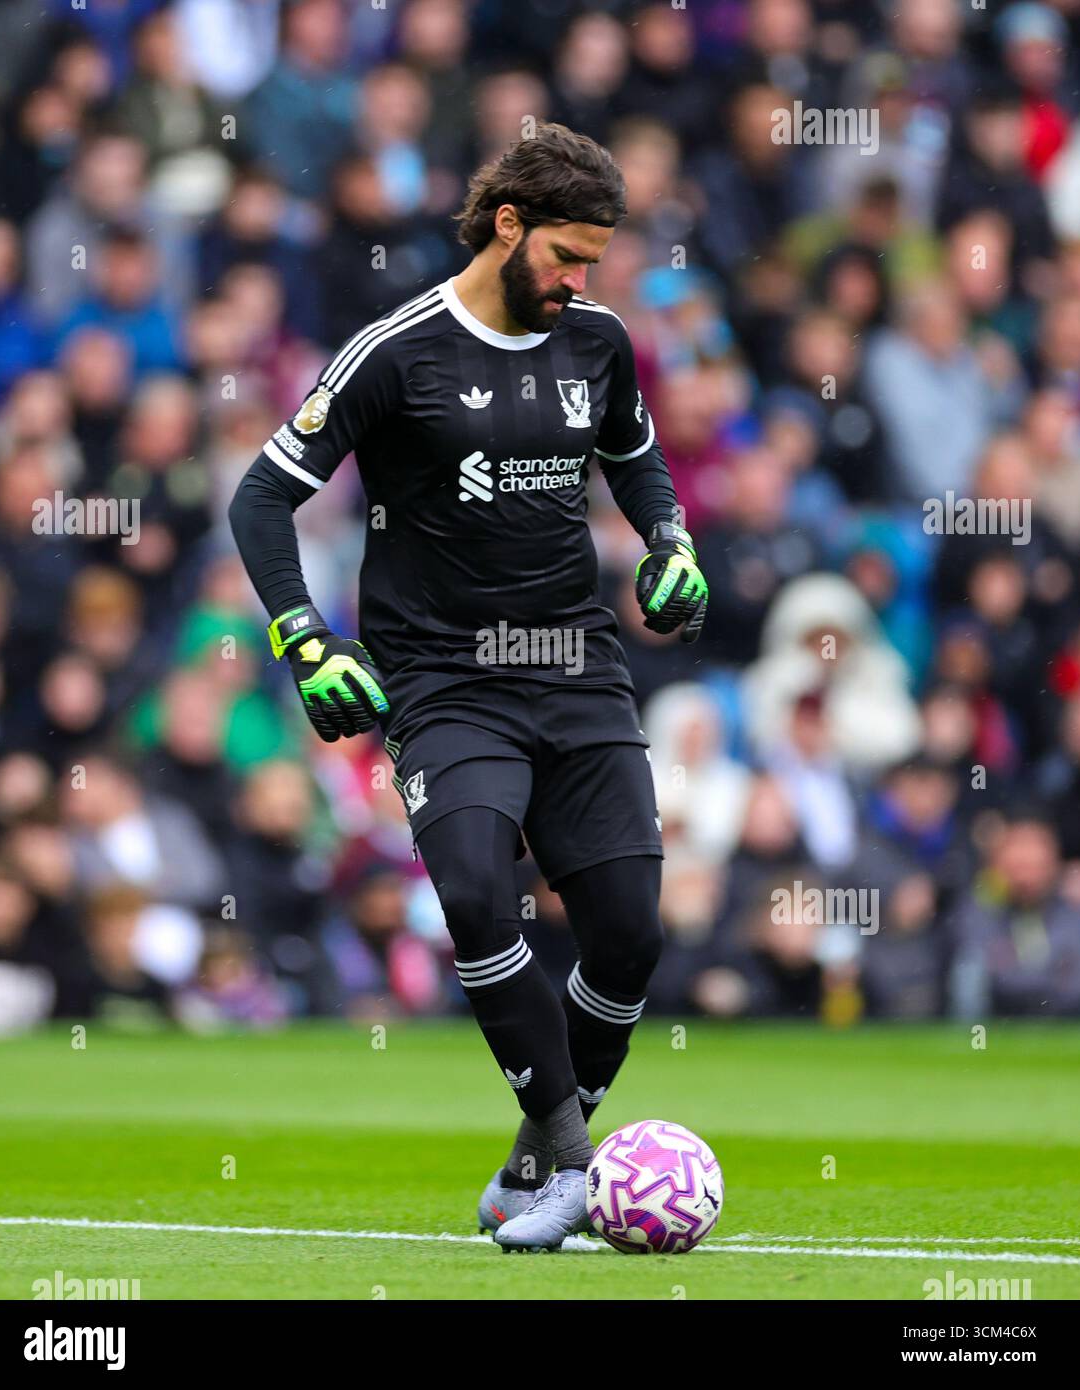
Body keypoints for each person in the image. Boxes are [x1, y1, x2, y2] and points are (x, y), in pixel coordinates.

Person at [228, 124, 708, 1252]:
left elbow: (634, 455)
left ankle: (532, 1166)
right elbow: (260, 497)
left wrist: (670, 538)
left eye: (594, 261)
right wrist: (306, 636)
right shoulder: (396, 352)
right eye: (568, 256)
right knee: (480, 896)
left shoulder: (597, 341)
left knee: (629, 936)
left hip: (577, 664)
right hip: (444, 678)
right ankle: (575, 1170)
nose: (581, 280)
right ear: (507, 225)